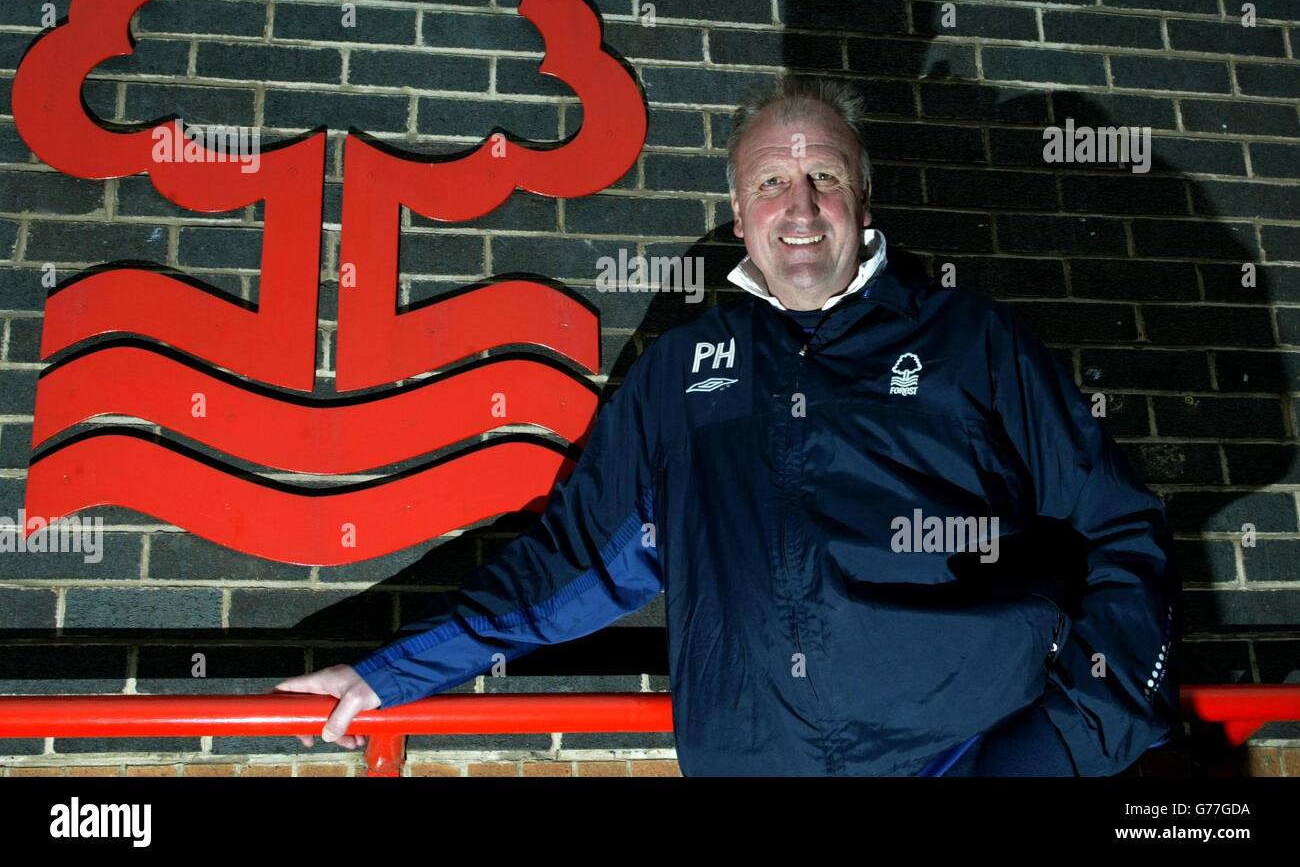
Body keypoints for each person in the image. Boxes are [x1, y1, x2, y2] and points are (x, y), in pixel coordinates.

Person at [275, 74, 1181, 776]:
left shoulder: (969, 338)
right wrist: (391, 671)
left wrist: (1082, 731)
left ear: (863, 204)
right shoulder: (682, 371)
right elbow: (575, 561)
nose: (800, 206)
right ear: (741, 215)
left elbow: (1121, 525)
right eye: (771, 183)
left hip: (976, 748)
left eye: (824, 177)